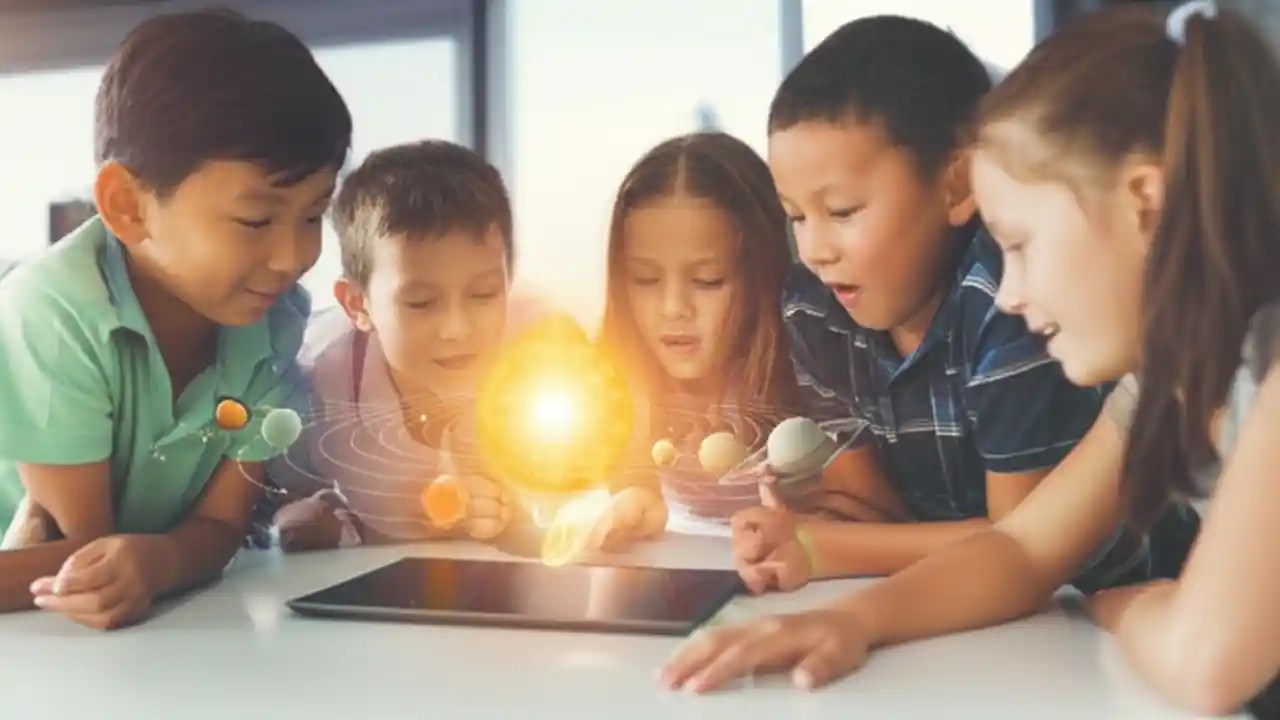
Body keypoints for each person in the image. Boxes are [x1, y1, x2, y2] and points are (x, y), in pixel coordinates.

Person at [663, 5, 1278, 716]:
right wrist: (853, 621)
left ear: (1144, 203)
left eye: (1017, 245)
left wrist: (1137, 607)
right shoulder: (1164, 385)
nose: (1008, 294)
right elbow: (1020, 551)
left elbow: (1206, 667)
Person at [0, 9, 351, 629]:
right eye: (255, 220)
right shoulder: (56, 311)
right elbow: (87, 559)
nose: (292, 257)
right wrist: (143, 562)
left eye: (313, 214)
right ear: (128, 207)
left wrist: (159, 562)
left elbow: (221, 525)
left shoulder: (274, 322)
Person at [267, 140, 541, 550]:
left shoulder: (540, 359)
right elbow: (269, 497)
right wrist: (321, 515)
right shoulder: (319, 387)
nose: (457, 329)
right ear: (359, 304)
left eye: (484, 294)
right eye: (421, 303)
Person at [591, 132, 803, 546]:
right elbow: (632, 474)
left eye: (708, 281)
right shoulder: (625, 386)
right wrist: (637, 498)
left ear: (761, 273)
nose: (673, 308)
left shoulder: (807, 377)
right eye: (646, 279)